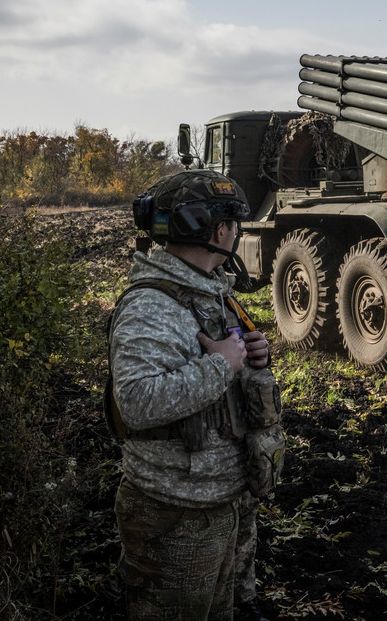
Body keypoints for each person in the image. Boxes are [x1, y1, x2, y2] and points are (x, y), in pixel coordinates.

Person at [110, 169, 279, 621]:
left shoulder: (209, 291)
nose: (237, 233)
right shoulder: (151, 305)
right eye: (236, 225)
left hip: (216, 499)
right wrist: (222, 364)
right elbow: (138, 402)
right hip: (176, 514)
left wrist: (249, 358)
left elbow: (220, 373)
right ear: (220, 230)